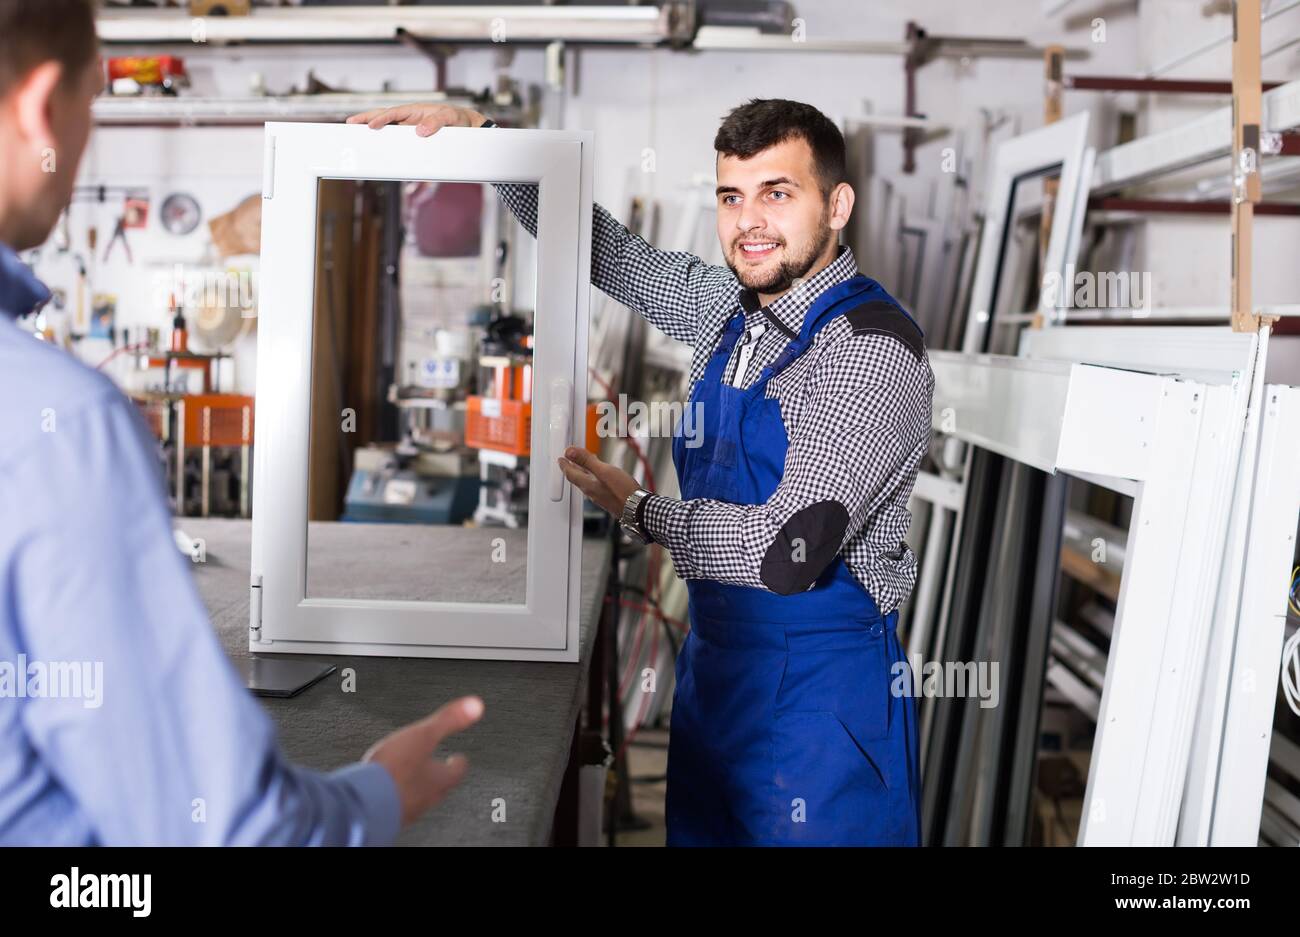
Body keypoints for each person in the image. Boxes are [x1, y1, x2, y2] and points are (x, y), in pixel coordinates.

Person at [349, 95, 934, 845]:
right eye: (732, 196)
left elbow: (786, 550)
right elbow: (608, 253)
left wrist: (643, 509)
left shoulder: (869, 348)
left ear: (838, 203)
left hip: (823, 712)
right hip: (718, 680)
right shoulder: (730, 307)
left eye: (777, 194)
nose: (749, 220)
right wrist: (492, 145)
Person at [0, 0, 482, 846]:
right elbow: (220, 823)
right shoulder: (61, 425)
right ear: (43, 106)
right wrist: (377, 794)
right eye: (92, 109)